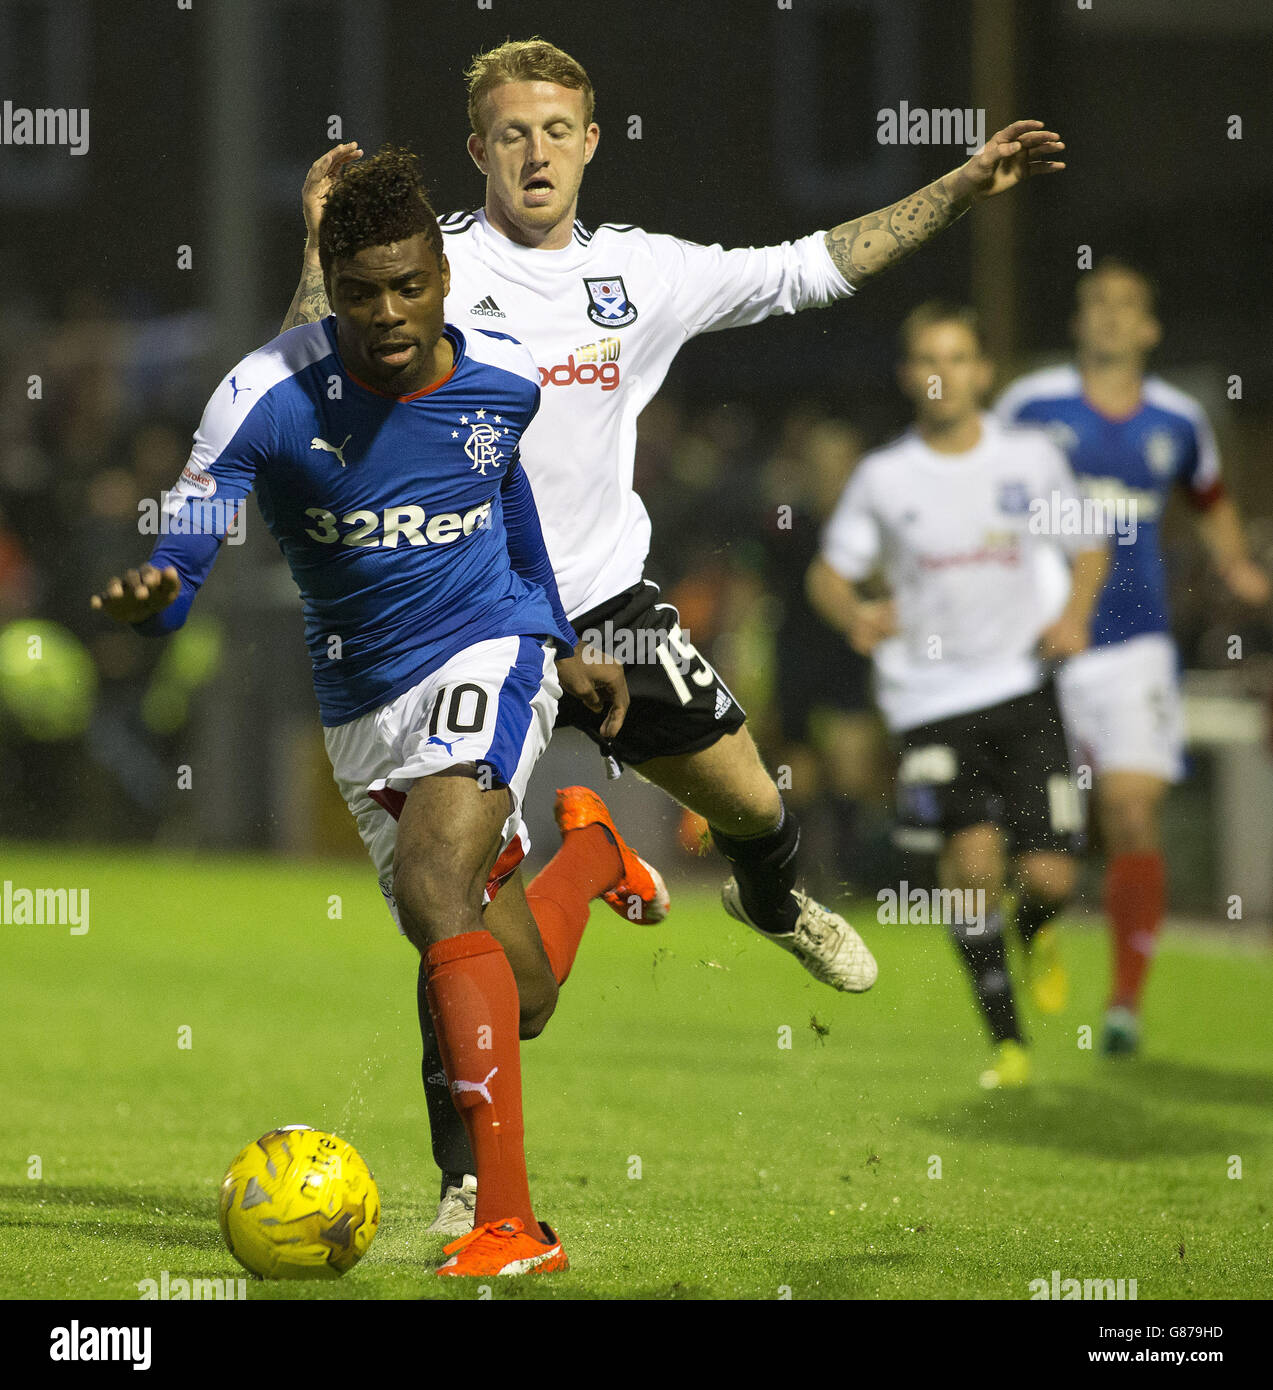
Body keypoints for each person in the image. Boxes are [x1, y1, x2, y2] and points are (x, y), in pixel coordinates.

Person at [281, 36, 1066, 1214]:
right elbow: (297, 380)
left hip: (606, 610)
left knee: (755, 804)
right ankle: (467, 1185)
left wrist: (956, 188)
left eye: (558, 131)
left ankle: (759, 895)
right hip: (457, 620)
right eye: (511, 132)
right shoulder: (420, 271)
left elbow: (810, 266)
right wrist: (317, 246)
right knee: (462, 924)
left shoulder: (641, 274)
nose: (536, 152)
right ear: (476, 149)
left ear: (592, 144)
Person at [92, 147, 649, 1277]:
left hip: (491, 652)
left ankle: (504, 1218)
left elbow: (510, 508)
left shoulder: (503, 379)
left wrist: (558, 637)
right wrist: (154, 601)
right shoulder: (263, 397)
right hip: (362, 708)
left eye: (408, 285)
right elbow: (183, 560)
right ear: (330, 284)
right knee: (515, 994)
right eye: (359, 292)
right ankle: (589, 852)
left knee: (436, 885)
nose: (387, 315)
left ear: (443, 273)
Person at [808, 303, 1109, 1089]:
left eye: (960, 357)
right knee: (970, 865)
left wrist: (1074, 616)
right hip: (929, 701)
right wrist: (857, 614)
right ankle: (1006, 1046)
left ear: (981, 372)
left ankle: (1037, 930)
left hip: (1020, 687)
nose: (944, 373)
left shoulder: (1029, 459)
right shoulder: (884, 477)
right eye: (927, 359)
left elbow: (1086, 545)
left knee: (1050, 879)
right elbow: (828, 573)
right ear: (911, 376)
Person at [995, 258, 1271, 1055]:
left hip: (1135, 646)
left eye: (1127, 307)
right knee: (1042, 845)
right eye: (1097, 304)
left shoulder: (1177, 419)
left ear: (1148, 329)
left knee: (1131, 812)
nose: (1112, 317)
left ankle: (1122, 1005)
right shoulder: (1029, 404)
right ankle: (1039, 924)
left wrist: (1236, 566)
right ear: (1079, 323)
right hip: (1037, 645)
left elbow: (1210, 502)